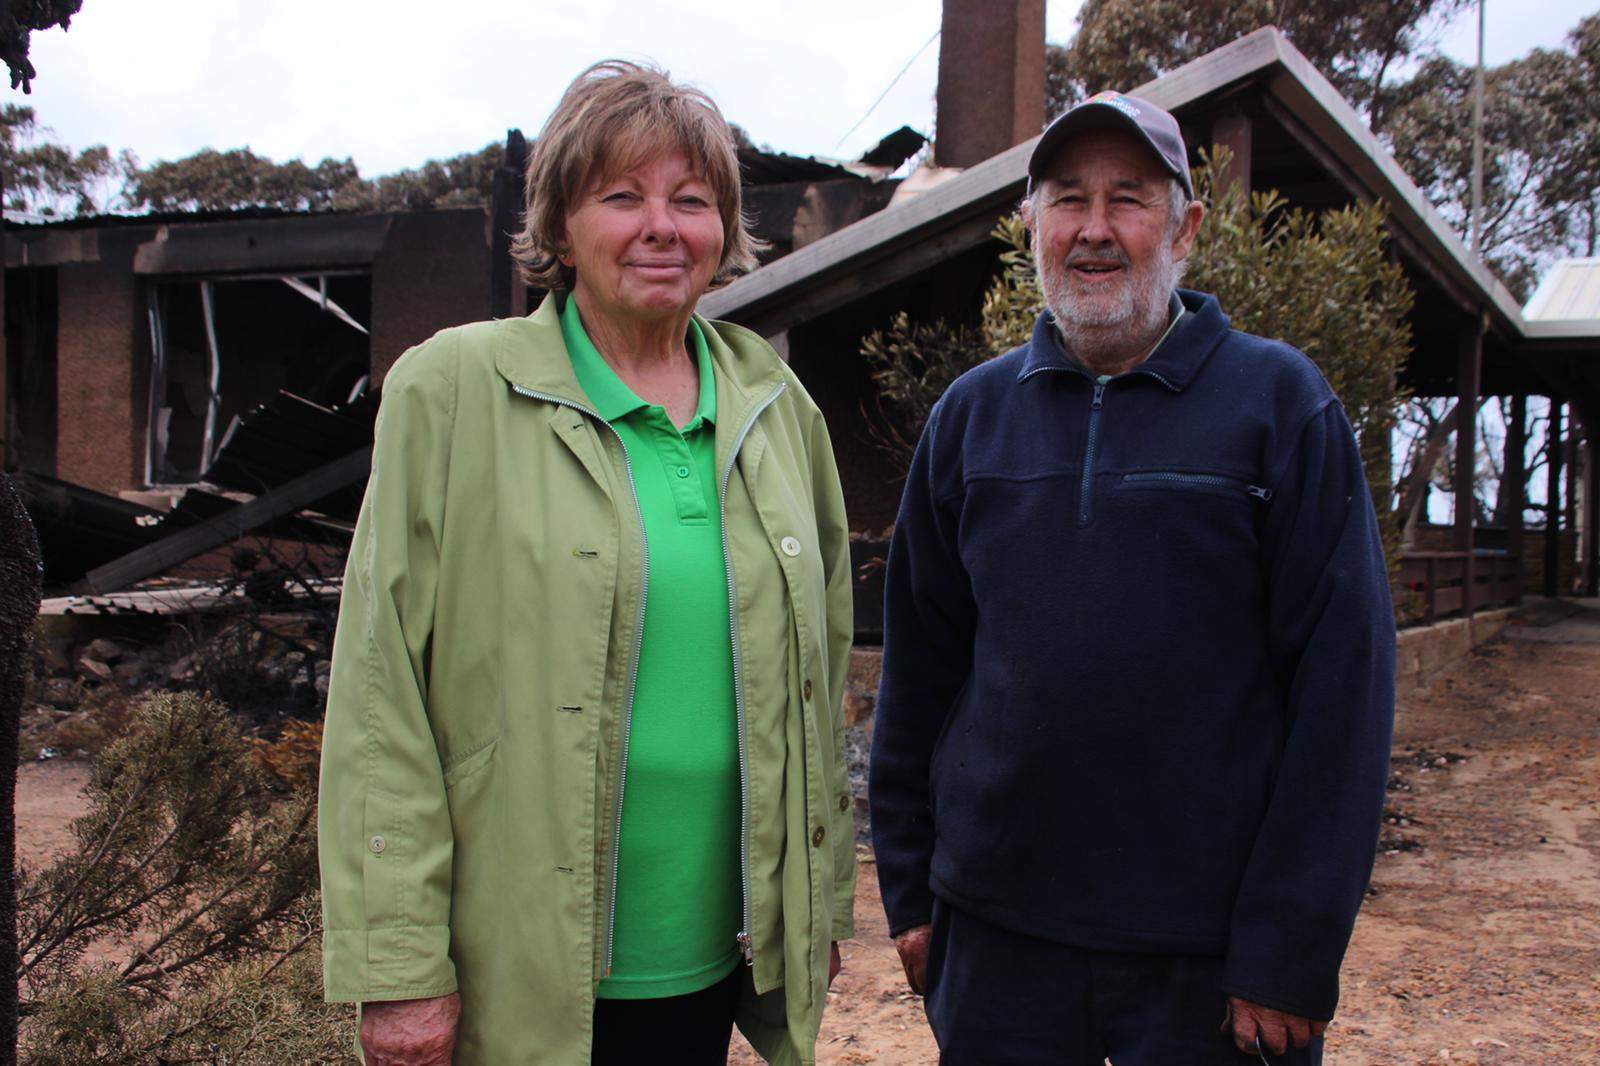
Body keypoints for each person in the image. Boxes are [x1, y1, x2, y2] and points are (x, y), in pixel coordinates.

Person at [318, 60, 856, 1066]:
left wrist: (809, 907)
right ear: (560, 225)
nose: (663, 226)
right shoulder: (455, 393)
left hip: (705, 955)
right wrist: (397, 967)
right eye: (621, 196)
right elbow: (381, 690)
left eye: (691, 201)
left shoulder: (774, 406)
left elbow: (817, 676)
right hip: (513, 966)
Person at [869, 91, 1396, 1065]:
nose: (1095, 229)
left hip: (1205, 968)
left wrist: (1286, 949)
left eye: (1129, 199)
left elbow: (1344, 695)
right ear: (1030, 224)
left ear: (1186, 229)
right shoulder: (969, 420)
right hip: (996, 947)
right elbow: (918, 672)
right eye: (1068, 199)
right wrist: (911, 891)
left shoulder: (1282, 408)